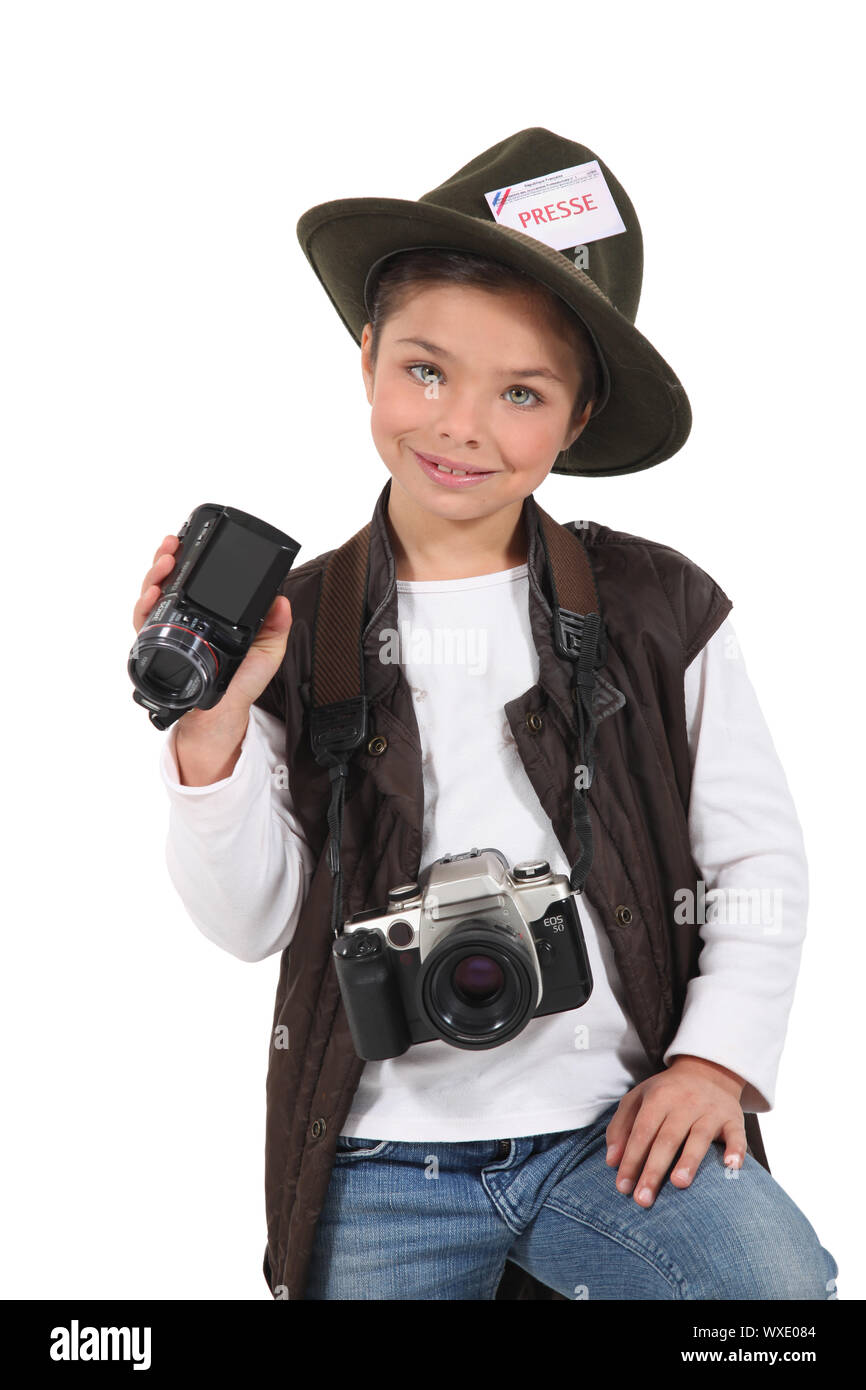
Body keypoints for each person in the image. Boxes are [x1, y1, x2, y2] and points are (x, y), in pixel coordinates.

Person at [135, 128, 839, 1300]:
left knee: (768, 1300)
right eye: (424, 369)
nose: (459, 424)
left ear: (575, 418)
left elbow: (755, 856)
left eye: (518, 391)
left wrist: (717, 1061)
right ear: (365, 359)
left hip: (609, 1131)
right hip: (375, 1148)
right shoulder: (290, 627)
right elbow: (251, 922)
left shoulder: (660, 607)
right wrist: (207, 736)